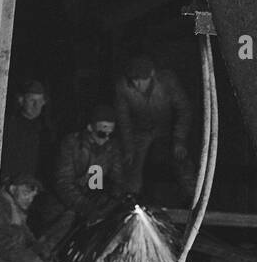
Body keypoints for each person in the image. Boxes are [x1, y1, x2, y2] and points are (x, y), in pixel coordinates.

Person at [113, 54, 194, 199]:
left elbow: (184, 110)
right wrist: (129, 148)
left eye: (141, 80)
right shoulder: (123, 87)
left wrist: (179, 139)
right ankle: (130, 203)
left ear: (151, 75)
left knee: (182, 158)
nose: (137, 84)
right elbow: (123, 120)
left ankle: (194, 199)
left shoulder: (167, 82)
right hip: (140, 131)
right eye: (134, 80)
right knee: (130, 164)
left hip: (167, 130)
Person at [52, 105, 127, 232]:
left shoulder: (112, 147)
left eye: (110, 134)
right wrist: (86, 207)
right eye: (102, 133)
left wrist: (113, 201)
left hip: (95, 199)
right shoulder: (71, 144)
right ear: (90, 128)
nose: (107, 138)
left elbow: (118, 182)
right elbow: (63, 183)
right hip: (67, 201)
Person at [0, 77, 59, 188]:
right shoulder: (7, 126)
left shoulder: (46, 131)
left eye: (40, 101)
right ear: (21, 100)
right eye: (32, 100)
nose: (36, 106)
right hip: (11, 186)